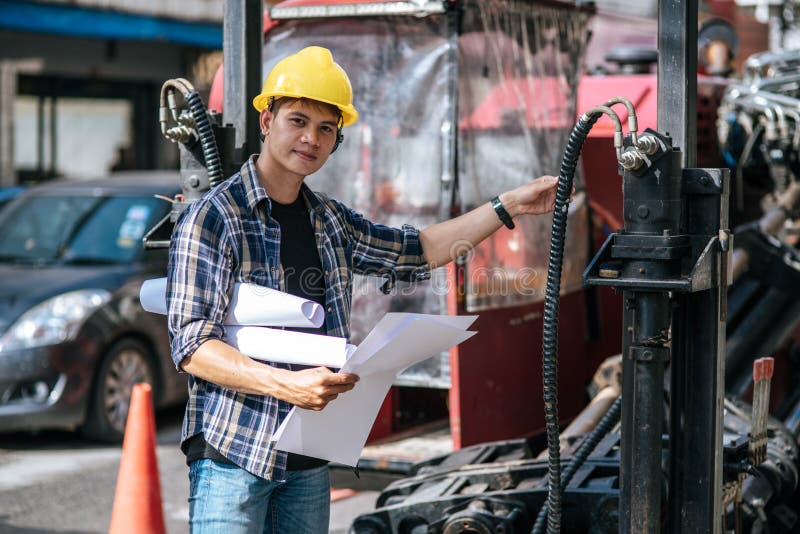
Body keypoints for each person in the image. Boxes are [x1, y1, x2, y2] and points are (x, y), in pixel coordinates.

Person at [167, 45, 560, 533]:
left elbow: (420, 249)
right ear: (267, 121)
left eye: (326, 128)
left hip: (309, 455)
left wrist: (508, 206)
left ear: (337, 139)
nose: (311, 137)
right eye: (298, 120)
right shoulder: (213, 217)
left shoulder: (329, 221)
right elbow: (192, 344)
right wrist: (287, 385)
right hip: (235, 451)